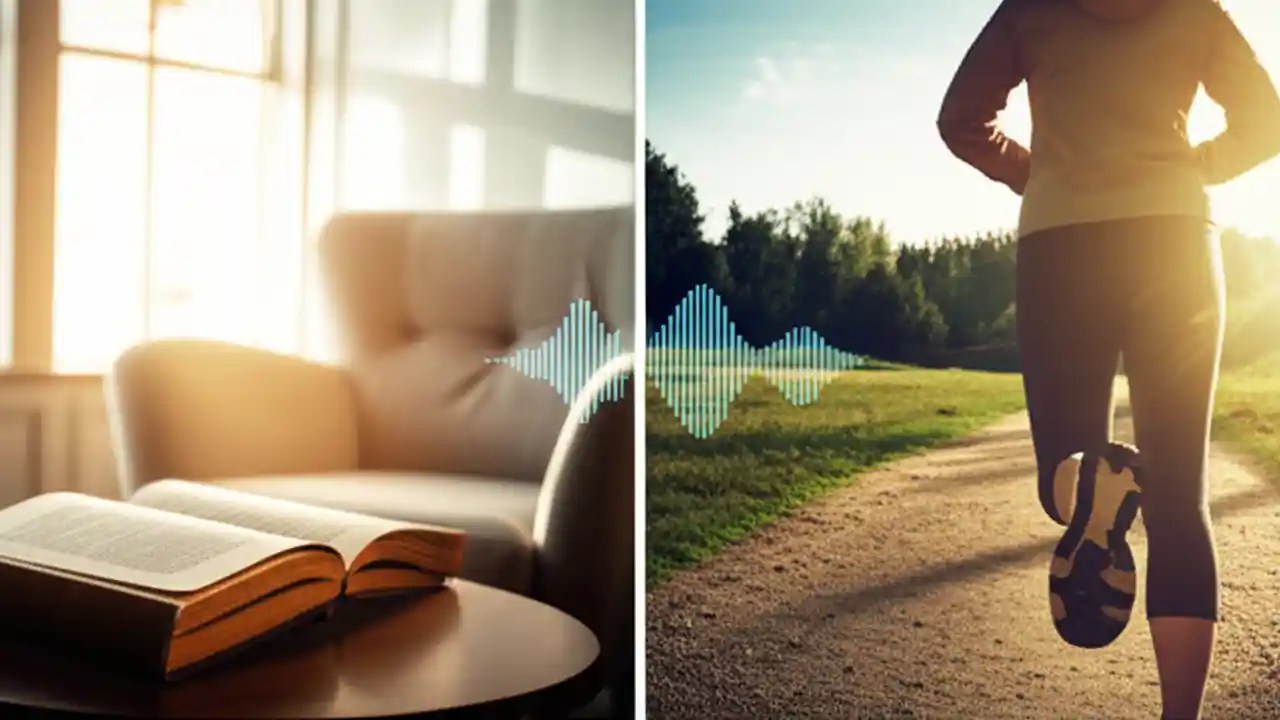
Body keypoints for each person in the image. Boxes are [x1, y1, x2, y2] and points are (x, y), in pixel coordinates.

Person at [937, 0, 1280, 717]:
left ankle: (1091, 483)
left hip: (1062, 241)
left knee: (1059, 469)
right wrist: (1190, 168)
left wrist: (1038, 173)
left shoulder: (1031, 8)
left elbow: (960, 118)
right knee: (1181, 498)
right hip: (1176, 237)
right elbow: (1268, 119)